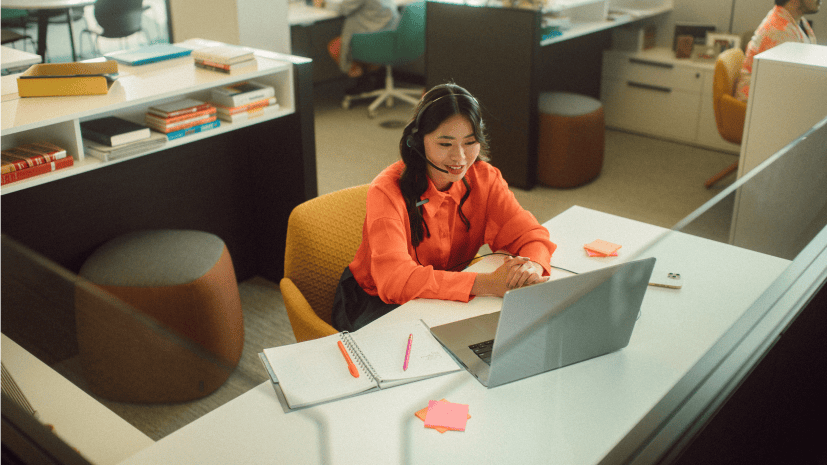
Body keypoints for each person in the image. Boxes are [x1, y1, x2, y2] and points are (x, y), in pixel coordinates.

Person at [332, 84, 558, 332]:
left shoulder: (485, 178)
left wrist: (531, 268)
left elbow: (530, 235)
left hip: (446, 293)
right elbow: (395, 281)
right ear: (418, 141)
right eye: (445, 144)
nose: (459, 158)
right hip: (377, 302)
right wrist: (487, 284)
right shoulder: (386, 191)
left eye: (470, 142)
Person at [735, 0, 819, 102]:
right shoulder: (780, 31)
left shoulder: (795, 20)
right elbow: (793, 84)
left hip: (771, 99)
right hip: (757, 105)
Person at [314, 0, 399, 93]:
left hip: (373, 38)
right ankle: (370, 77)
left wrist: (321, 3)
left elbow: (342, 9)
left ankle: (361, 76)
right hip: (388, 35)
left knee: (335, 47)